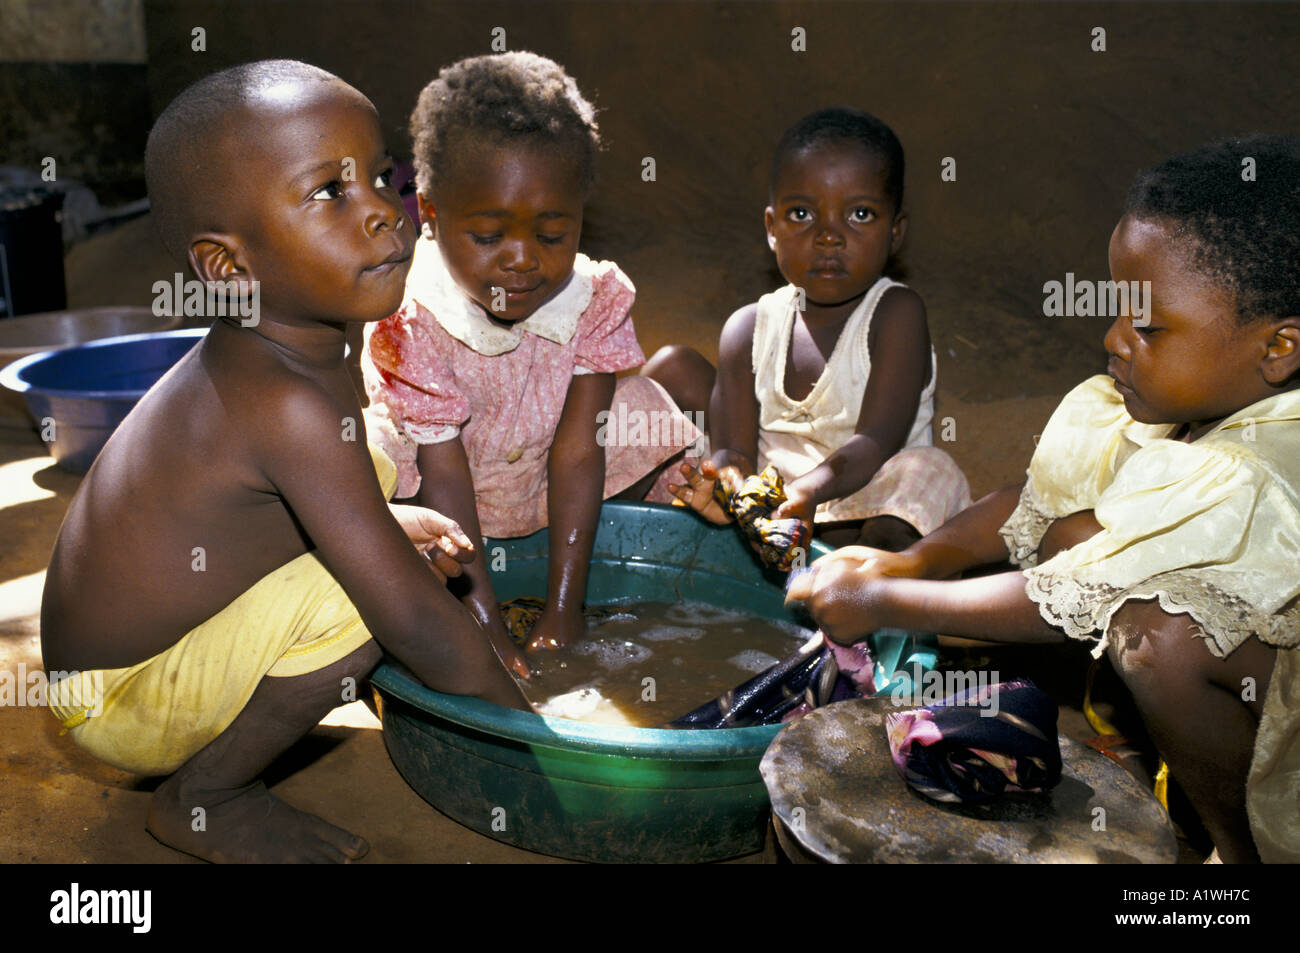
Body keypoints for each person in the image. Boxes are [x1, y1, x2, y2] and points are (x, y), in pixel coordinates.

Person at [41, 60, 529, 864]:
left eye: (379, 176)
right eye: (329, 194)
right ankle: (208, 796)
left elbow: (255, 507)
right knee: (368, 598)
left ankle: (360, 550)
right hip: (117, 696)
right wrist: (534, 732)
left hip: (153, 643)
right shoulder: (283, 396)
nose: (383, 212)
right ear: (229, 268)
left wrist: (381, 522)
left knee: (364, 479)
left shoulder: (299, 340)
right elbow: (410, 615)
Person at [792, 135, 1300, 864]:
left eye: (1149, 326)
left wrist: (885, 603)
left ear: (1279, 347)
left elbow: (1064, 600)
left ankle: (1236, 857)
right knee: (1073, 529)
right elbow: (1029, 504)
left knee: (1156, 633)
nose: (1114, 340)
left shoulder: (1259, 469)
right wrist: (916, 560)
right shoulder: (1182, 402)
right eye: (1119, 309)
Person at [362, 52, 699, 658]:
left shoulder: (594, 297)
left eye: (551, 235)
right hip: (443, 494)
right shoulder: (410, 320)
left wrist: (562, 609)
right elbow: (442, 473)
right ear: (430, 215)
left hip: (547, 479)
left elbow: (579, 450)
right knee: (371, 456)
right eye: (489, 236)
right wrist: (486, 626)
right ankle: (439, 608)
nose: (522, 259)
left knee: (639, 406)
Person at [658, 107, 970, 555]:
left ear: (896, 231)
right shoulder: (747, 329)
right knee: (671, 369)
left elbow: (875, 442)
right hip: (780, 511)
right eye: (802, 213)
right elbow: (735, 453)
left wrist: (806, 491)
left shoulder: (896, 314)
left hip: (866, 505)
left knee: (928, 472)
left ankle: (873, 592)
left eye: (860, 214)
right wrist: (732, 483)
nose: (828, 236)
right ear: (771, 228)